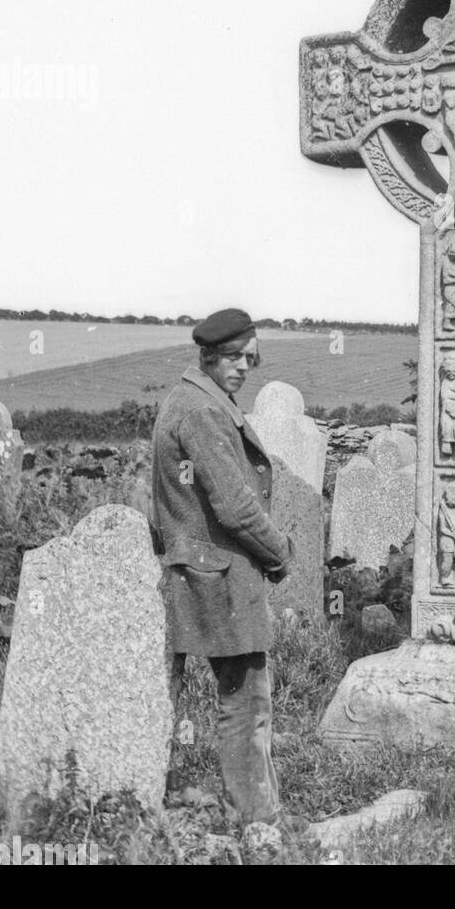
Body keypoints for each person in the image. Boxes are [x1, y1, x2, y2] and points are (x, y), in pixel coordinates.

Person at [151, 307, 295, 834]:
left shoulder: (194, 400)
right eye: (234, 358)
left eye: (250, 359)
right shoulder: (202, 412)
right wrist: (279, 553)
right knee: (245, 699)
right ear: (209, 355)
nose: (243, 368)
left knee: (243, 695)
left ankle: (252, 812)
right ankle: (256, 821)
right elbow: (234, 506)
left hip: (205, 571)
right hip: (220, 575)